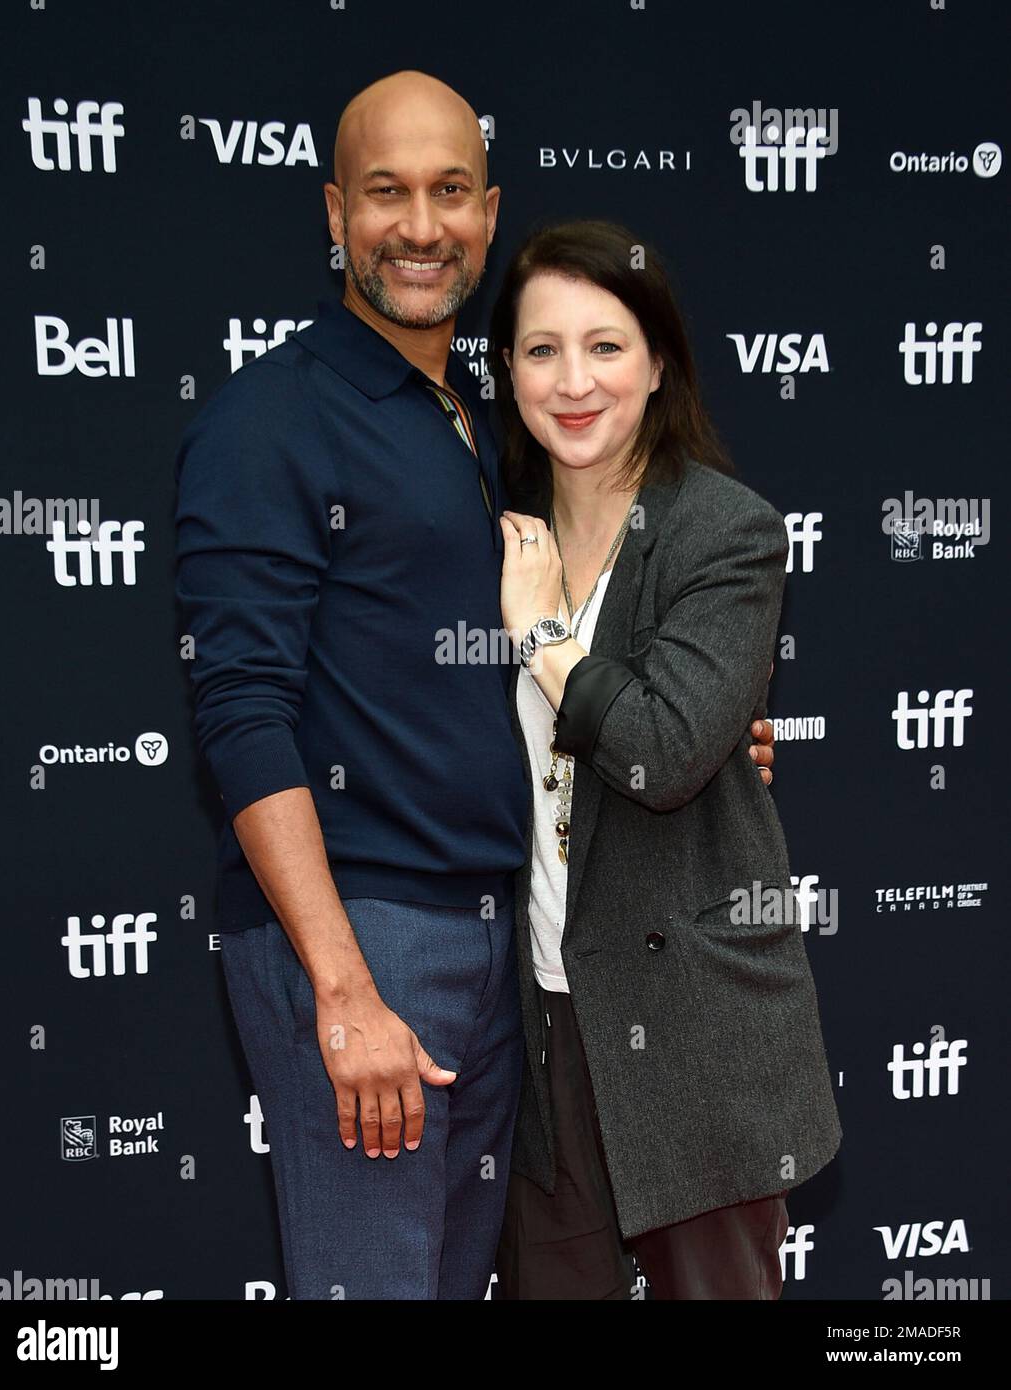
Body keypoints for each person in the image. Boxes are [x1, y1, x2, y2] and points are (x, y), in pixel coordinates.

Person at [173, 70, 778, 1301]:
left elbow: (519, 675)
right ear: (333, 212)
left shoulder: (481, 428)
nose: (420, 225)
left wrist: (702, 730)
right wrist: (343, 991)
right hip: (360, 935)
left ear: (488, 212)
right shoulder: (268, 421)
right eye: (386, 193)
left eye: (450, 191)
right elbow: (240, 712)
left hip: (496, 948)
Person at [488, 219, 842, 1299]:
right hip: (545, 1019)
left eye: (606, 345)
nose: (574, 379)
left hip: (693, 1023)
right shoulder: (491, 533)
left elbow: (667, 751)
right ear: (506, 369)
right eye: (542, 349)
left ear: (658, 363)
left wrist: (549, 637)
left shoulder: (723, 530)